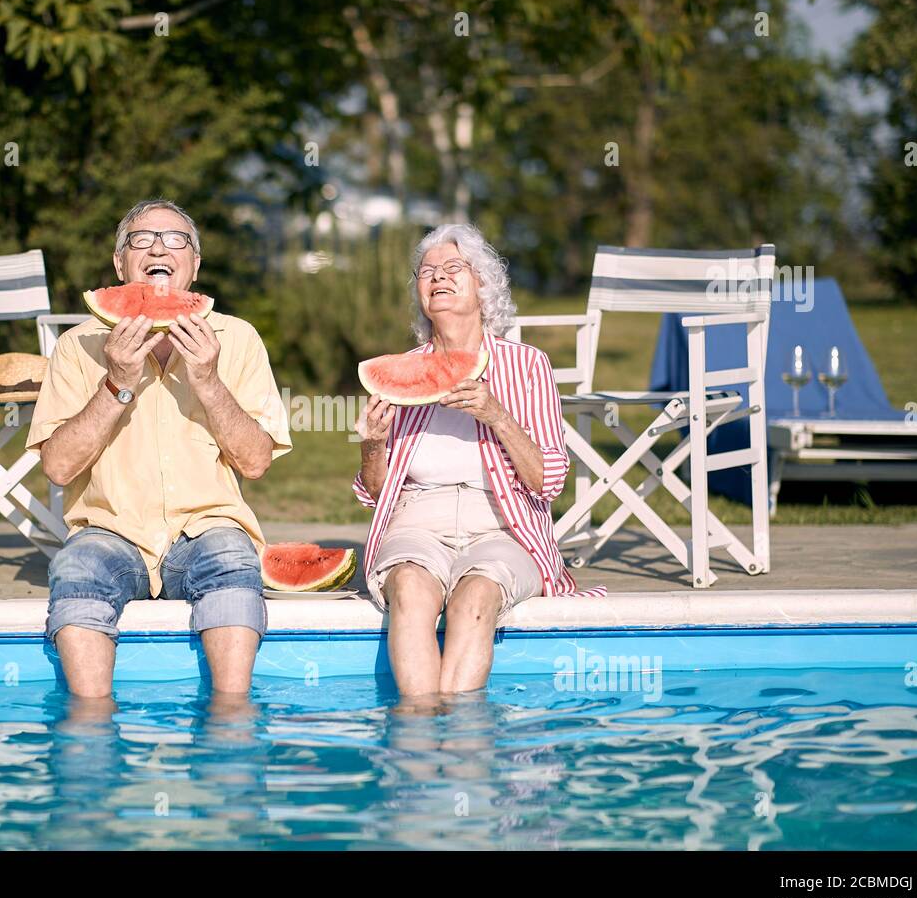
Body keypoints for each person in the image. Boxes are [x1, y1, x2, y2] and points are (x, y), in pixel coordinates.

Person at [29, 199, 292, 698]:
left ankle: (230, 720)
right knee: (77, 567)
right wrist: (117, 384)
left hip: (207, 527)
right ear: (119, 265)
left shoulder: (237, 339)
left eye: (176, 240)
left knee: (234, 563)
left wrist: (209, 381)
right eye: (140, 239)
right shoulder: (78, 345)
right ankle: (90, 730)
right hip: (110, 529)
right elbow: (58, 468)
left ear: (194, 265)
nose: (157, 247)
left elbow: (255, 462)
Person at [353, 223, 599, 697]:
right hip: (417, 521)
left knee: (476, 599)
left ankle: (462, 743)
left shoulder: (528, 365)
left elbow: (548, 481)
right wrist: (372, 445)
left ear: (483, 284)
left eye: (452, 268)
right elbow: (375, 492)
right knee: (409, 591)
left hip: (503, 525)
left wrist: (497, 415)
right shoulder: (405, 369)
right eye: (426, 272)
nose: (437, 278)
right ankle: (420, 737)